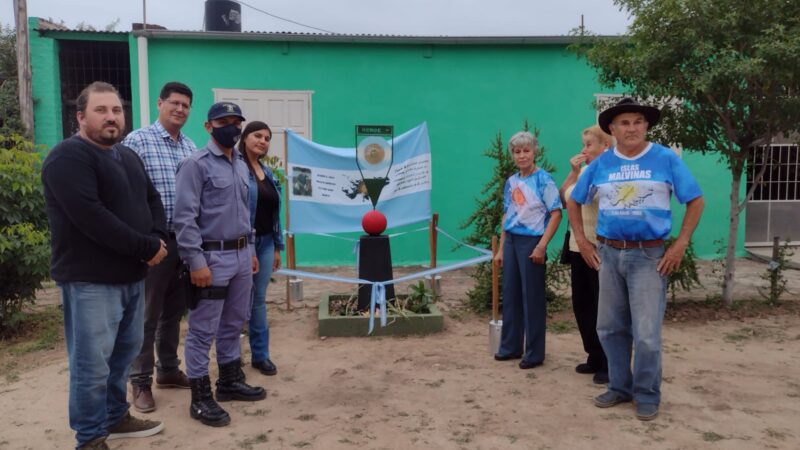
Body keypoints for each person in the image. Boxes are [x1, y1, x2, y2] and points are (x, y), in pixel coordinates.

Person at [42, 81, 167, 450]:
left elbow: (153, 199)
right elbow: (92, 218)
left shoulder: (127, 156)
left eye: (116, 110)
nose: (111, 117)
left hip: (132, 276)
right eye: (101, 110)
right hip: (90, 281)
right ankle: (90, 436)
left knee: (123, 356)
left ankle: (115, 417)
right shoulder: (67, 158)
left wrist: (159, 237)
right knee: (91, 365)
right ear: (81, 117)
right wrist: (147, 247)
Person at [568, 98, 704, 421]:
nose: (632, 128)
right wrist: (583, 241)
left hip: (649, 256)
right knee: (609, 327)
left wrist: (680, 243)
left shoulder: (665, 158)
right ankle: (619, 386)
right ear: (612, 129)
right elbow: (574, 200)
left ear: (646, 126)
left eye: (638, 122)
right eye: (624, 123)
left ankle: (646, 393)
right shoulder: (601, 164)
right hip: (608, 253)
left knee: (646, 333)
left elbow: (695, 200)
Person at [174, 102, 267, 428]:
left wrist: (250, 249)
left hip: (241, 256)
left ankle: (229, 381)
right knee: (203, 329)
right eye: (223, 121)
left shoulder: (240, 164)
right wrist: (195, 261)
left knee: (234, 322)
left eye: (236, 122)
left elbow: (246, 213)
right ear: (208, 126)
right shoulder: (195, 164)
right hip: (212, 259)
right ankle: (200, 397)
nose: (232, 127)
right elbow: (184, 219)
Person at [123, 81, 197, 413]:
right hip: (154, 241)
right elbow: (123, 191)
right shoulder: (138, 141)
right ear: (159, 104)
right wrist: (140, 239)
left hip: (185, 241)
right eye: (174, 103)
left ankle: (168, 369)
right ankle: (140, 381)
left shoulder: (190, 147)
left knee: (173, 311)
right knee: (147, 314)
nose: (180, 109)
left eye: (185, 105)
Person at [493, 131, 563, 369]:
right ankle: (510, 346)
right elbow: (507, 214)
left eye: (526, 151)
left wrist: (542, 246)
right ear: (512, 154)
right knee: (511, 295)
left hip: (532, 242)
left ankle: (534, 353)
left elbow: (556, 214)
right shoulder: (511, 181)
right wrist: (501, 249)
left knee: (531, 298)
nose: (522, 155)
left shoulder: (544, 180)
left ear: (534, 152)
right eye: (517, 152)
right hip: (512, 241)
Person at [559, 125, 614, 385]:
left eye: (589, 144)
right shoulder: (584, 171)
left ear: (605, 146)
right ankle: (593, 354)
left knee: (603, 306)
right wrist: (573, 172)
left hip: (598, 247)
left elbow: (588, 200)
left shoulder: (608, 172)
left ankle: (609, 362)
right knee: (583, 305)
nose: (584, 149)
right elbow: (564, 197)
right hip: (577, 246)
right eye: (583, 144)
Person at [238, 121, 284, 376]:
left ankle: (260, 355)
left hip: (266, 244)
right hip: (243, 244)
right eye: (257, 135)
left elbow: (274, 214)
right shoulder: (236, 169)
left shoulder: (268, 173)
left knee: (258, 301)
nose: (263, 141)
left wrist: (276, 246)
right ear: (245, 137)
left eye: (267, 138)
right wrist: (249, 248)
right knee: (237, 302)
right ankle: (232, 359)